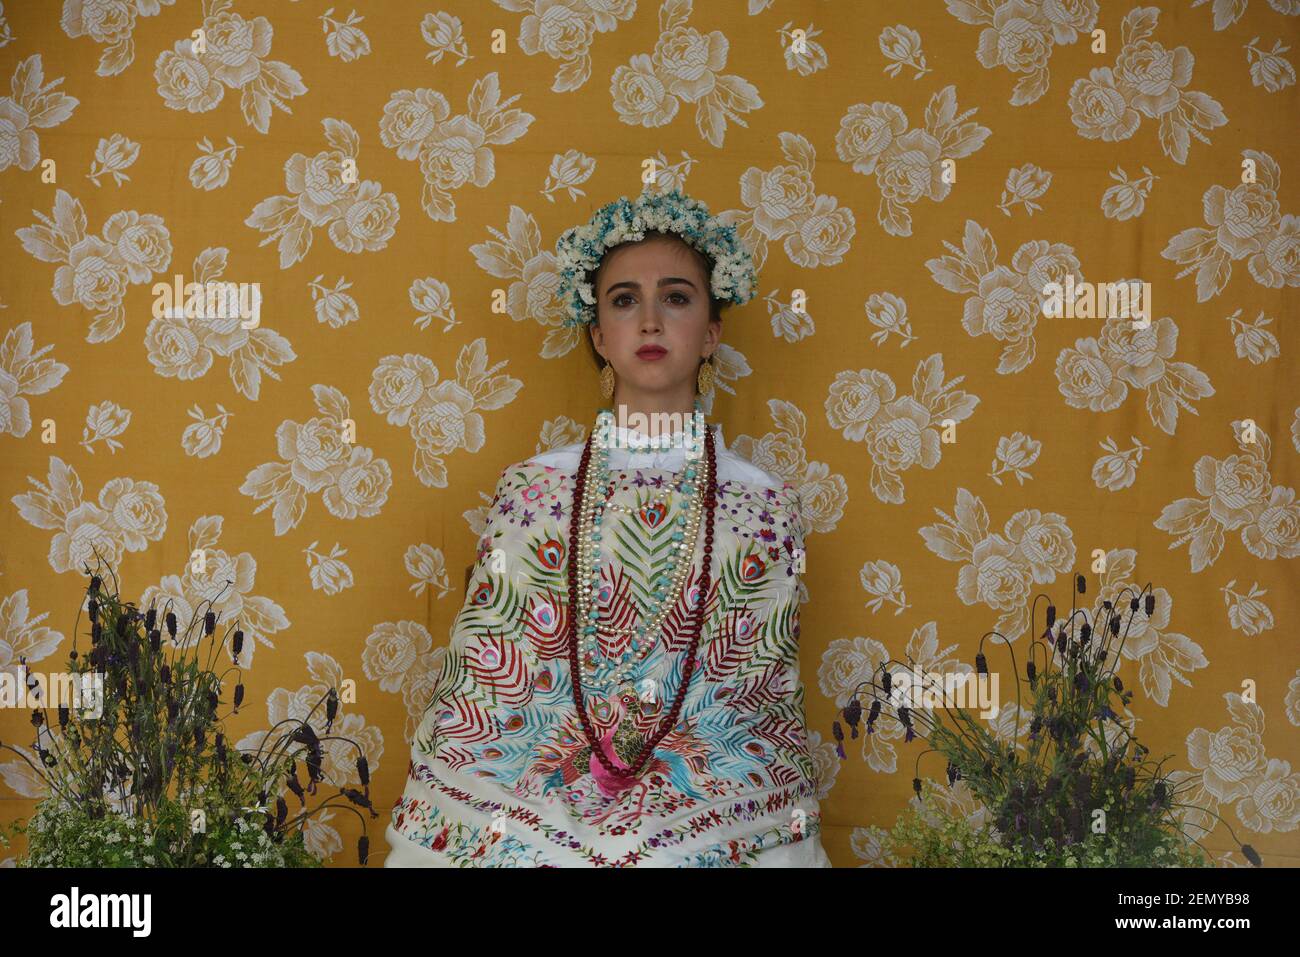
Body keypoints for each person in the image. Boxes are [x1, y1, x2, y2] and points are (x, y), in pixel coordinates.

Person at [384, 187, 831, 867]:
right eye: (624, 300)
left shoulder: (763, 503)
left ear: (712, 330)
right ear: (598, 334)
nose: (650, 320)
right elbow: (489, 671)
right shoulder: (534, 487)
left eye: (676, 297)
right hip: (536, 766)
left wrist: (669, 771)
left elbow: (759, 692)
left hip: (712, 780)